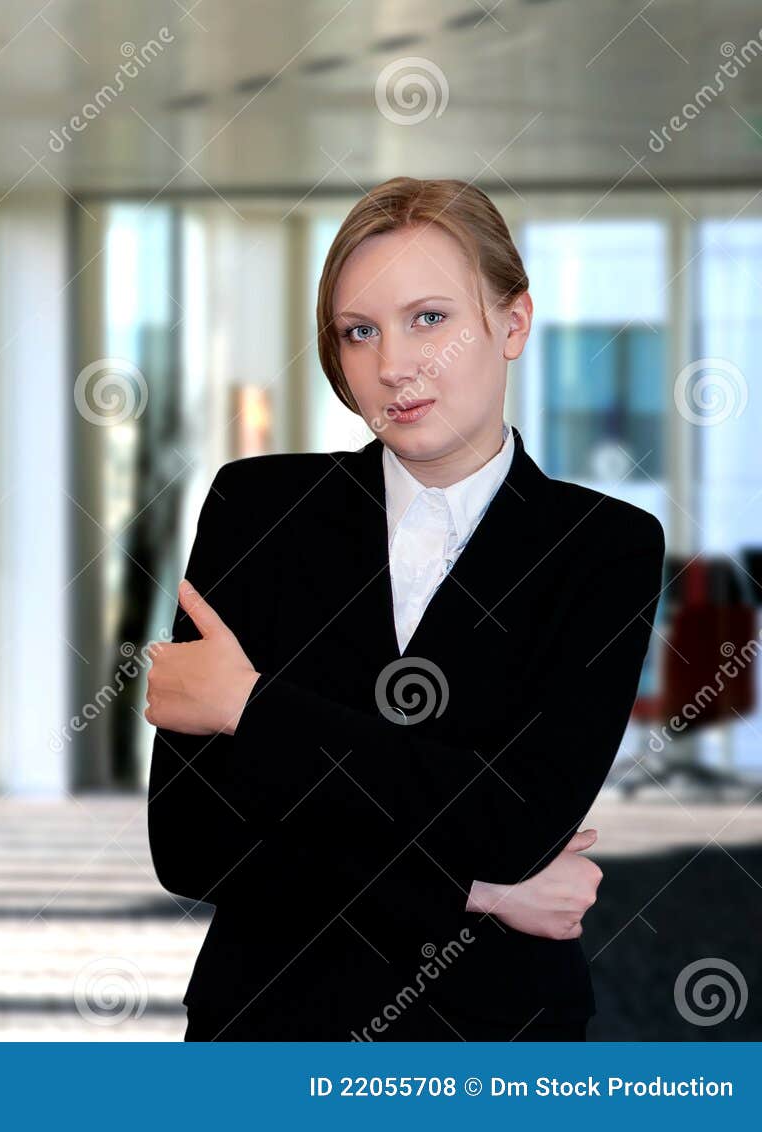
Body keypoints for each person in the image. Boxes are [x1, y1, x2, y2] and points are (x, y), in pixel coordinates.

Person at [143, 176, 665, 1042]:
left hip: (495, 1034)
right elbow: (193, 843)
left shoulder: (602, 548)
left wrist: (251, 709)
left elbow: (513, 821)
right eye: (360, 331)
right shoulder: (257, 509)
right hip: (268, 1026)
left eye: (430, 319)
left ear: (513, 323)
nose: (392, 365)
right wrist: (479, 889)